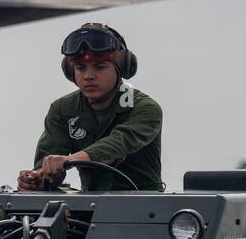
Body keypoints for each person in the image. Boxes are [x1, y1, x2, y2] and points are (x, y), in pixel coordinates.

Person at [17, 23, 164, 192]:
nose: (88, 76)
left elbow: (116, 146)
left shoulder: (144, 108)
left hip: (145, 209)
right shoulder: (63, 109)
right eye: (80, 67)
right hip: (87, 208)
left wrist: (67, 161)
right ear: (70, 70)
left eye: (100, 67)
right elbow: (48, 165)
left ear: (121, 68)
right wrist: (38, 178)